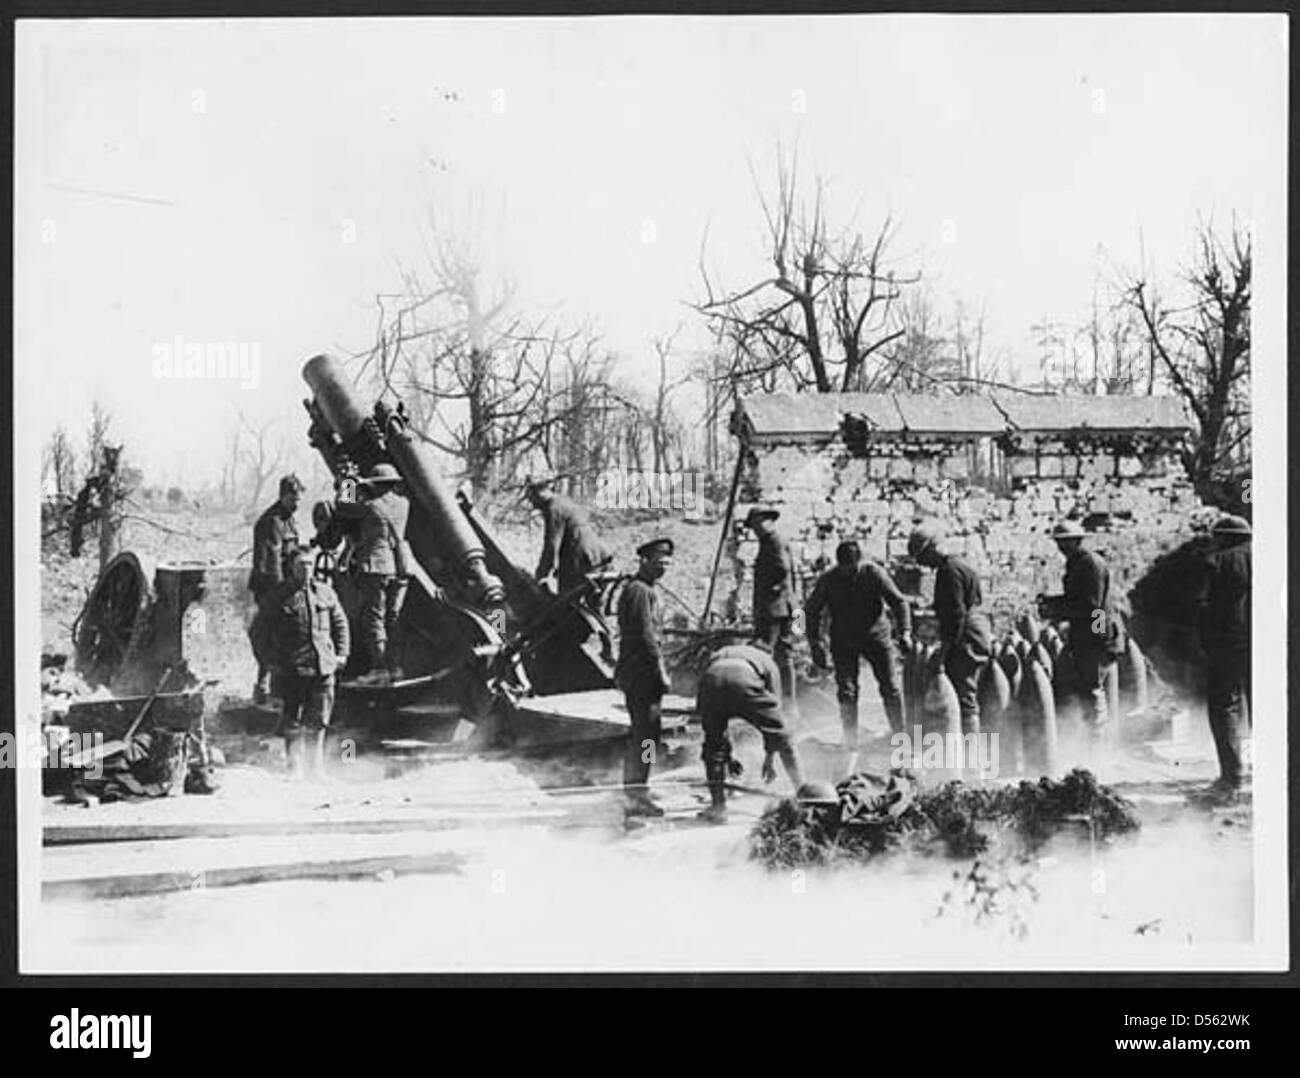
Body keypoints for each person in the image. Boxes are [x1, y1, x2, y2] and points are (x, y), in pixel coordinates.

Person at [806, 539, 914, 753]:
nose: (849, 574)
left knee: (890, 688)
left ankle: (900, 737)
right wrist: (813, 642)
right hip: (844, 639)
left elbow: (899, 602)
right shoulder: (829, 579)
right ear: (839, 565)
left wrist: (905, 632)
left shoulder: (874, 573)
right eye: (845, 569)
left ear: (859, 563)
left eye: (852, 569)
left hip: (877, 636)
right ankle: (850, 741)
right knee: (847, 691)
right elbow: (808, 611)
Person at [695, 640, 805, 824]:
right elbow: (774, 725)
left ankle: (718, 807)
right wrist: (770, 759)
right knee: (784, 736)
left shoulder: (723, 651)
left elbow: (717, 721)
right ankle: (805, 795)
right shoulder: (767, 661)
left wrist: (727, 757)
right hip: (743, 681)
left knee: (713, 746)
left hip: (711, 682)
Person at [1039, 520, 1125, 740]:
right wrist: (1054, 602)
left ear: (1077, 541)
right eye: (1059, 542)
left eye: (1065, 542)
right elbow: (1078, 599)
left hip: (1098, 634)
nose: (1061, 547)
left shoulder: (1089, 564)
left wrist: (1058, 611)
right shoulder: (1077, 563)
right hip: (1090, 634)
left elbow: (1092, 607)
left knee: (1093, 689)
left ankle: (1098, 745)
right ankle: (1093, 737)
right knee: (1088, 688)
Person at [270, 546, 350, 781]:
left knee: (319, 721)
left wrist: (341, 654)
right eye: (301, 565)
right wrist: (269, 662)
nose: (306, 569)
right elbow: (259, 631)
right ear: (292, 568)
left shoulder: (325, 593)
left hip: (323, 667)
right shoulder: (279, 595)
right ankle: (294, 769)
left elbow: (341, 624)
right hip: (292, 668)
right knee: (292, 721)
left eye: (309, 564)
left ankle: (316, 770)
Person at [908, 521, 991, 734]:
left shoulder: (949, 572)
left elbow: (956, 616)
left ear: (932, 548)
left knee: (965, 696)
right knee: (965, 692)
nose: (922, 564)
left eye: (922, 556)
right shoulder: (960, 565)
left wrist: (942, 653)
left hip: (966, 636)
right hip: (973, 631)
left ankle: (971, 760)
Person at [615, 537, 673, 817]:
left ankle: (639, 786)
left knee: (646, 734)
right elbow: (646, 637)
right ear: (645, 561)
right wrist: (661, 670)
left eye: (667, 563)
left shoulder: (644, 589)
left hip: (641, 672)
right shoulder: (639, 591)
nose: (663, 568)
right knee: (645, 735)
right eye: (659, 562)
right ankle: (636, 794)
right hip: (641, 674)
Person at [1195, 514, 1252, 801]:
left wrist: (1204, 642)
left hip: (1227, 645)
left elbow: (1203, 606)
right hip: (1264, 642)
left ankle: (1232, 778)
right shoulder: (1268, 555)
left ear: (1225, 537)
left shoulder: (1217, 562)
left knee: (1224, 706)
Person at [337, 463, 411, 680]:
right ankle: (395, 667)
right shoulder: (403, 504)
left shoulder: (371, 506)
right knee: (392, 617)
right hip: (397, 566)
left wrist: (348, 482)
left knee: (372, 618)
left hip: (374, 566)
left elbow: (344, 508)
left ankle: (379, 668)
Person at [248, 474, 305, 704]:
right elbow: (271, 564)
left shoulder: (288, 518)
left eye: (299, 499)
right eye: (293, 499)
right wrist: (282, 594)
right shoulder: (272, 521)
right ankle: (263, 688)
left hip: (282, 586)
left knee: (278, 639)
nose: (297, 504)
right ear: (283, 495)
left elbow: (289, 551)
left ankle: (271, 687)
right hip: (270, 589)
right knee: (268, 637)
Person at [746, 506, 799, 719]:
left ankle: (770, 703)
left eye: (755, 525)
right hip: (784, 607)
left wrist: (770, 592)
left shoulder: (772, 541)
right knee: (784, 655)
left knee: (765, 654)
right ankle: (787, 703)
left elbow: (782, 568)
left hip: (773, 609)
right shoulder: (776, 539)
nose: (754, 530)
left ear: (764, 521)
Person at [525, 475, 612, 601]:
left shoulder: (553, 508)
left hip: (582, 559)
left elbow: (552, 545)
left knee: (566, 606)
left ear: (538, 493)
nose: (532, 504)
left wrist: (540, 575)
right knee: (594, 606)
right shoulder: (564, 501)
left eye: (531, 498)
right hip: (599, 556)